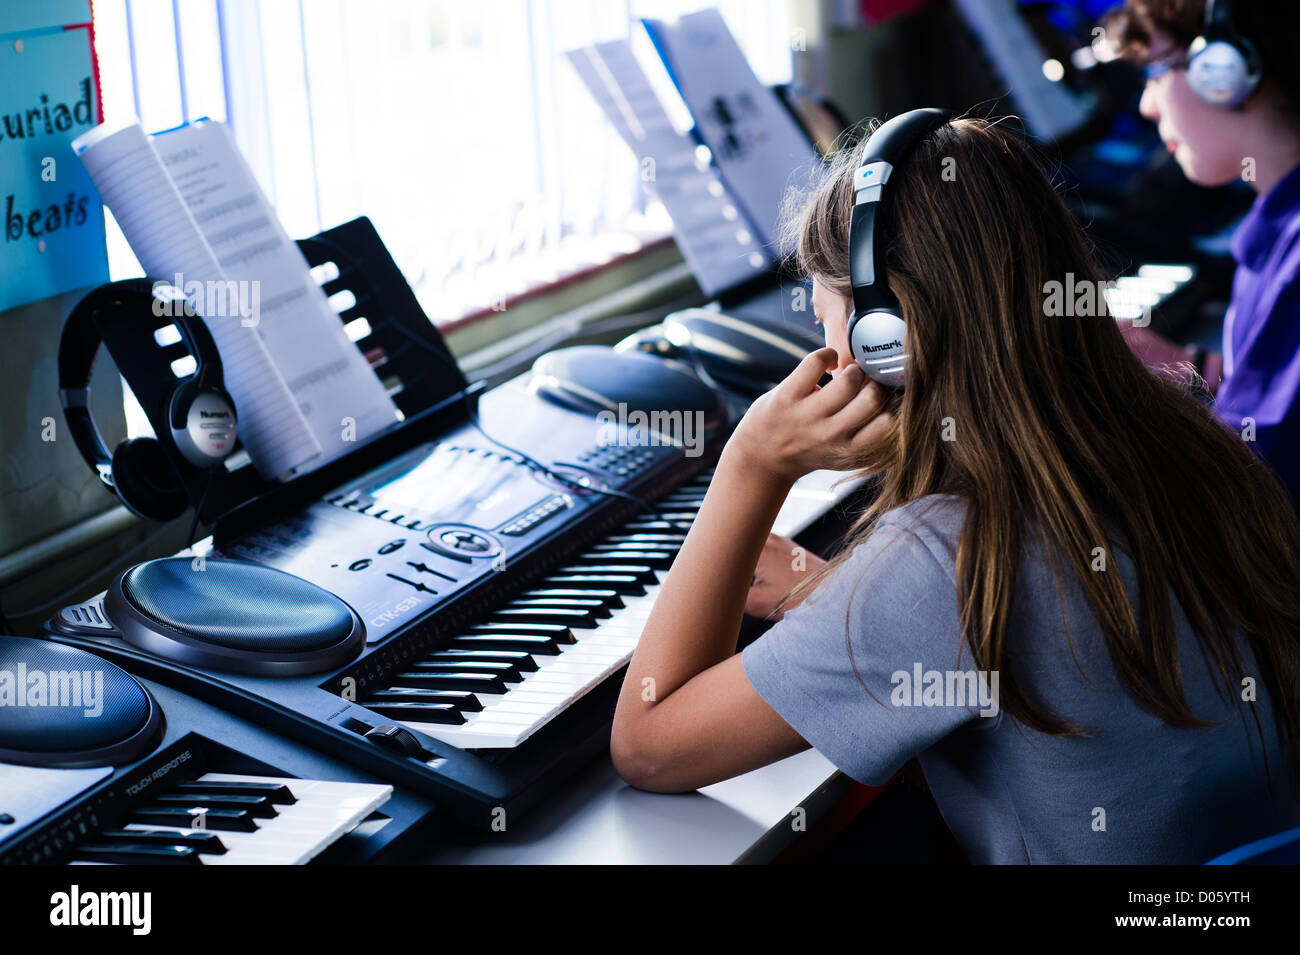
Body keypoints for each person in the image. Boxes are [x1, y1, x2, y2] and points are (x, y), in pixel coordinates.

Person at [609, 115, 1300, 864]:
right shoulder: (1193, 442)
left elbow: (648, 745)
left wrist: (752, 463)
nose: (828, 359)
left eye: (828, 324)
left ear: (890, 342)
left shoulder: (943, 557)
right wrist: (830, 591)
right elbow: (1033, 618)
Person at [1103, 0, 1300, 502]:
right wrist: (1190, 367)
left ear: (1226, 69)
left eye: (1156, 69)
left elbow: (1248, 492)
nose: (1147, 105)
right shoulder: (1275, 226)